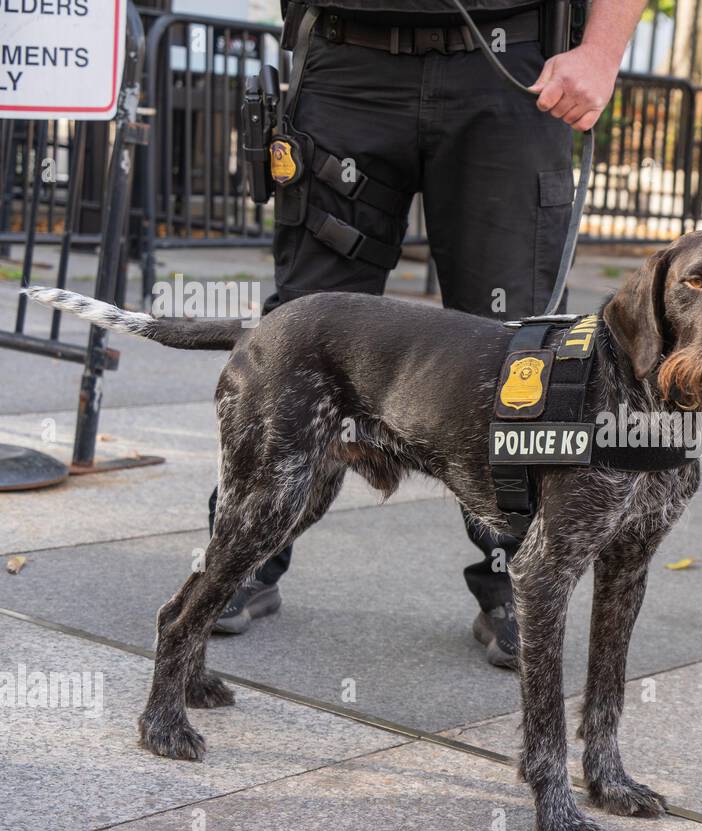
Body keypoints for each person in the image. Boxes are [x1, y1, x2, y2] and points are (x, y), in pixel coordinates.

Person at [210, 0, 646, 671]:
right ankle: (241, 556)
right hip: (344, 56)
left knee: (519, 356)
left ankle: (514, 580)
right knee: (301, 331)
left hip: (511, 68)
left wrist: (601, 51)